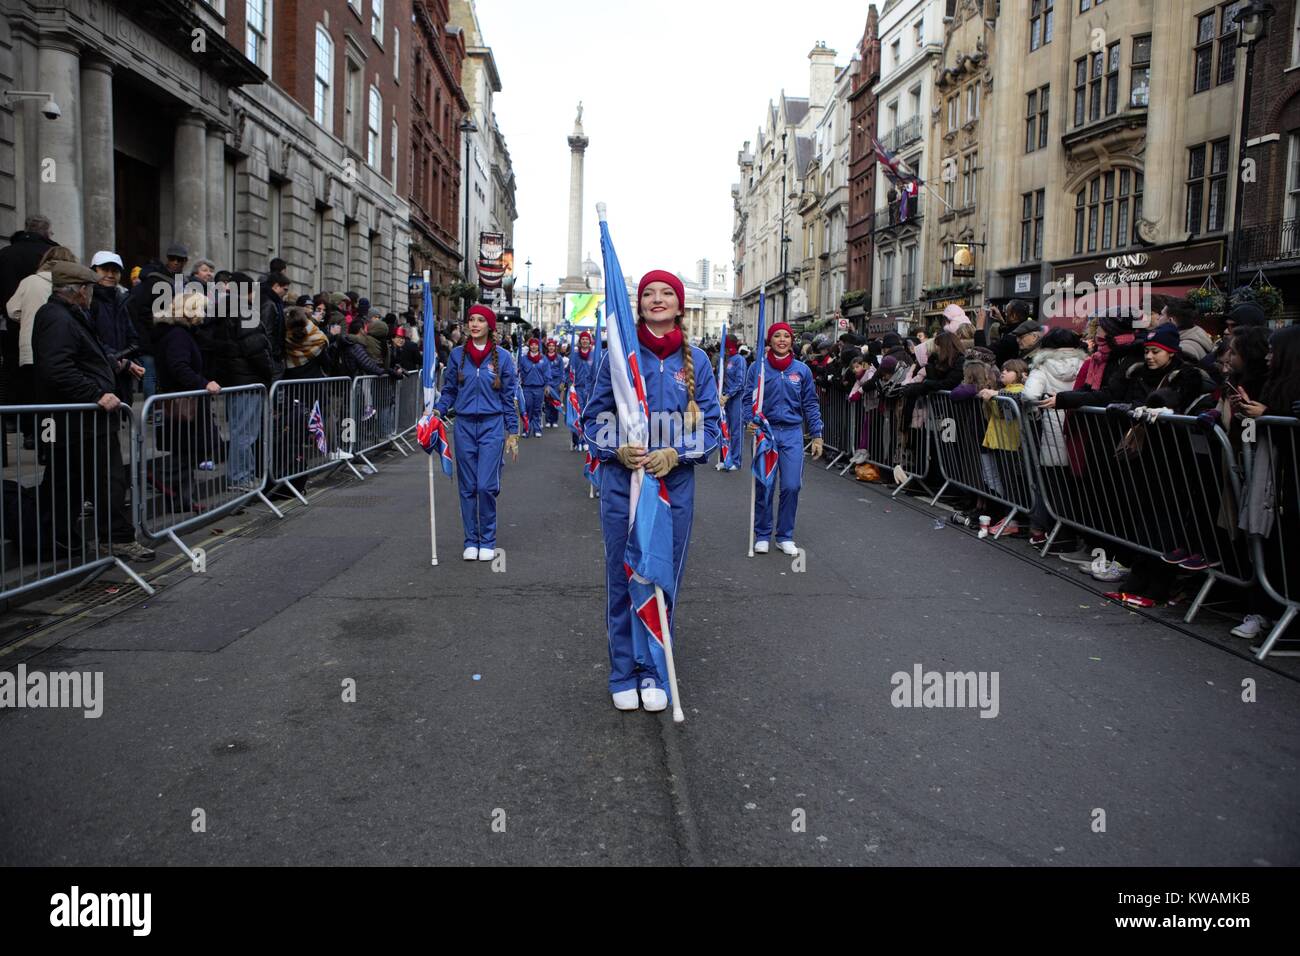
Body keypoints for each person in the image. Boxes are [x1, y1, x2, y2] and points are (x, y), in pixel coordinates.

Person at [581, 270, 720, 712]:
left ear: (680, 306)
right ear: (638, 305)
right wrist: (615, 449)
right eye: (648, 294)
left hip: (673, 488)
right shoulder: (618, 359)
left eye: (666, 294)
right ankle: (624, 670)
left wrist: (677, 455)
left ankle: (656, 671)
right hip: (624, 485)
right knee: (623, 577)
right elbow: (591, 419)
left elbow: (715, 428)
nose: (657, 299)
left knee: (662, 576)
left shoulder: (697, 360)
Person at [30, 261, 154, 561]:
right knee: (98, 482)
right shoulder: (56, 317)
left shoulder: (71, 315)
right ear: (77, 290)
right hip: (79, 418)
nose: (90, 294)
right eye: (88, 289)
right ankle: (109, 539)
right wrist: (96, 394)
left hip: (85, 420)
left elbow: (90, 356)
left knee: (79, 483)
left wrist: (119, 364)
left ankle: (66, 542)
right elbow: (57, 367)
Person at [430, 305, 519, 562]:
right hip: (464, 425)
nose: (475, 324)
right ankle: (471, 540)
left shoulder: (502, 358)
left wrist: (512, 432)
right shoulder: (458, 356)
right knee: (467, 486)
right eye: (471, 320)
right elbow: (448, 390)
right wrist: (437, 411)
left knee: (485, 485)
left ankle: (487, 539)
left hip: (492, 426)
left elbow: (508, 397)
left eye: (481, 320)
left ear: (490, 326)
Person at [742, 320, 825, 556]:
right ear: (770, 340)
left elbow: (810, 403)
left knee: (791, 485)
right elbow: (748, 398)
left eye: (786, 336)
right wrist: (749, 419)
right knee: (765, 484)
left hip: (791, 433)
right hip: (765, 432)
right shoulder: (757, 369)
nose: (782, 340)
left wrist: (817, 434)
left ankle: (785, 535)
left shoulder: (802, 370)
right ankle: (762, 534)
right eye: (777, 336)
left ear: (791, 341)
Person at [7, 245, 78, 445]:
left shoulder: (30, 282)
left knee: (31, 396)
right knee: (52, 400)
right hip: (60, 348)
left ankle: (31, 435)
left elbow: (12, 309)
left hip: (30, 346)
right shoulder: (69, 284)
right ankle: (49, 442)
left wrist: (29, 318)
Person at [212, 274, 275, 492]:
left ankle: (242, 476)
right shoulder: (244, 311)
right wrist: (269, 373)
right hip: (247, 378)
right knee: (245, 432)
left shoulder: (223, 309)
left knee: (241, 430)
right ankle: (240, 478)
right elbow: (255, 349)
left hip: (234, 377)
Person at [87, 251, 143, 405]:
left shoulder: (121, 299)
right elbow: (90, 339)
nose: (110, 274)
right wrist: (119, 359)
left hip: (120, 375)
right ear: (94, 271)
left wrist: (126, 360)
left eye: (115, 271)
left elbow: (133, 338)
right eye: (105, 269)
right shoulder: (89, 300)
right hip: (97, 375)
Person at [716, 333, 747, 471]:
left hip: (736, 400)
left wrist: (727, 396)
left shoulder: (739, 360)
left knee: (735, 431)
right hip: (724, 399)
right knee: (724, 429)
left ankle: (736, 460)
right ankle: (724, 458)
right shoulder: (724, 360)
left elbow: (740, 382)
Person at [570, 330, 597, 451]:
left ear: (590, 341)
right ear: (580, 341)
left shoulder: (594, 355)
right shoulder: (575, 356)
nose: (585, 341)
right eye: (583, 339)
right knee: (578, 414)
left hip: (590, 390)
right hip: (578, 389)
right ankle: (577, 440)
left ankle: (586, 440)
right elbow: (569, 372)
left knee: (588, 415)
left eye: (587, 339)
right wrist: (570, 384)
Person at [519, 336, 548, 437]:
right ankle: (526, 429)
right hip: (527, 388)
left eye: (535, 345)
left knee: (537, 409)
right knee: (527, 408)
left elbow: (547, 373)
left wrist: (547, 385)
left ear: (538, 346)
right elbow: (520, 372)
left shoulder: (543, 359)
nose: (534, 346)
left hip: (539, 388)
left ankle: (537, 429)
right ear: (529, 346)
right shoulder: (524, 359)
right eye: (532, 345)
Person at [543, 338, 563, 428]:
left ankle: (554, 420)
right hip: (547, 383)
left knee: (555, 401)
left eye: (553, 346)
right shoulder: (544, 357)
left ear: (555, 347)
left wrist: (562, 382)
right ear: (547, 347)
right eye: (549, 346)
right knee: (547, 401)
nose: (551, 347)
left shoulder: (559, 358)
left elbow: (562, 371)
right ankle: (548, 420)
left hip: (556, 382)